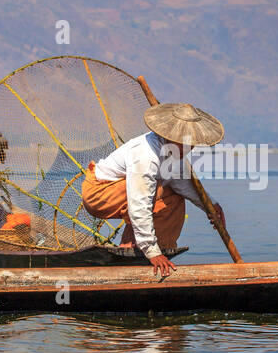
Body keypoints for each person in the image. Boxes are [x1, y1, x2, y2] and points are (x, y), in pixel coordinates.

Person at [81, 102, 226, 277]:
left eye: (191, 144)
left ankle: (134, 247)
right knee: (152, 192)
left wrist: (211, 206)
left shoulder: (173, 154)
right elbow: (139, 202)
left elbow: (184, 185)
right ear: (169, 136)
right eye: (183, 143)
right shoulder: (146, 155)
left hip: (126, 194)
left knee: (174, 197)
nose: (188, 149)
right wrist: (151, 250)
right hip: (100, 195)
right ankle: (145, 249)